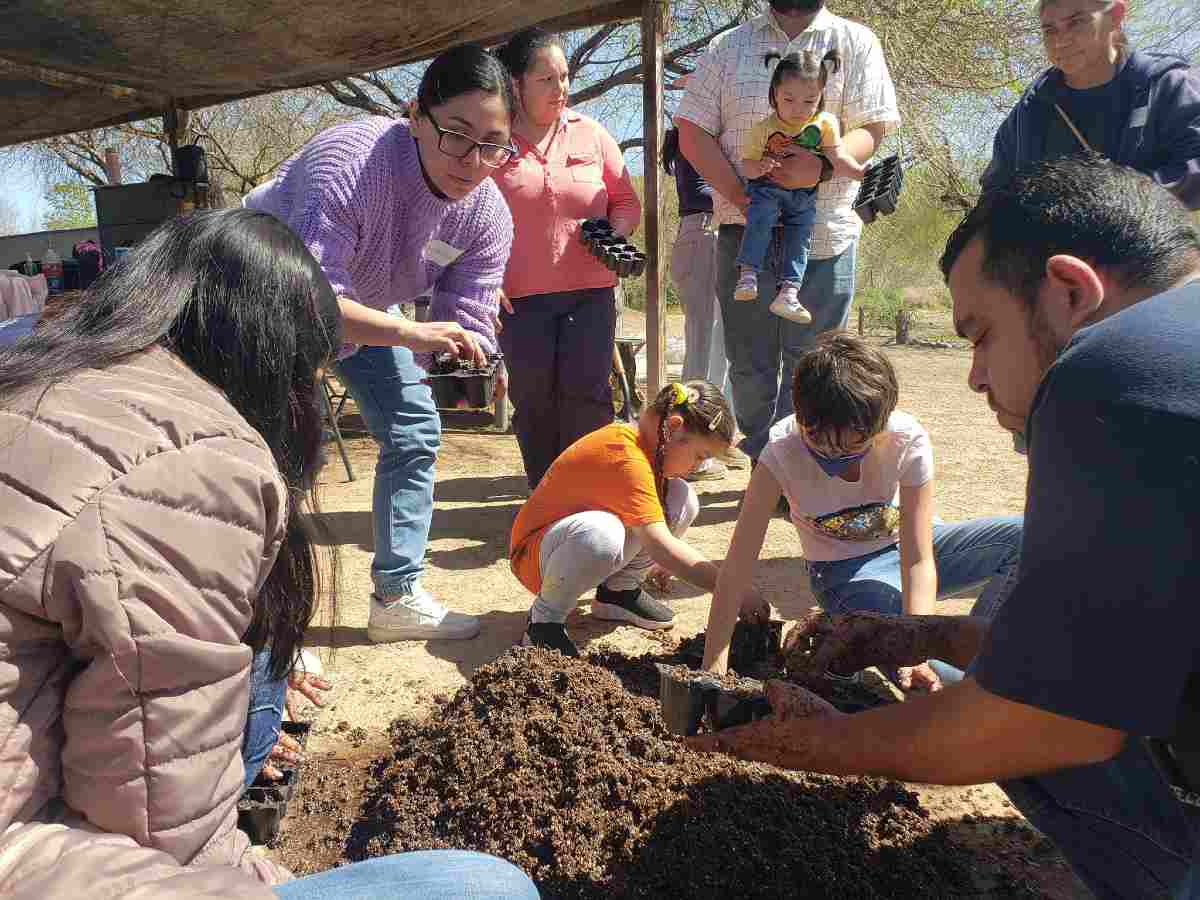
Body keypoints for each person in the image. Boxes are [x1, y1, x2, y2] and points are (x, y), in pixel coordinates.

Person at [689, 157, 1200, 900]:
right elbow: (1127, 658)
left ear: (1070, 291)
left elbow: (1050, 720)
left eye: (981, 334)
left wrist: (818, 742)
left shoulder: (1116, 370)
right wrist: (932, 636)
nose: (974, 377)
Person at [0, 209, 539, 900]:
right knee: (485, 888)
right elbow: (153, 824)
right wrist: (261, 876)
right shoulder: (195, 459)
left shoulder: (48, 375)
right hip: (30, 860)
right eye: (310, 370)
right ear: (272, 354)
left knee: (260, 665)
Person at [246, 44, 516, 642]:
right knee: (278, 456)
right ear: (416, 115)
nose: (472, 161)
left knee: (415, 429)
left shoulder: (488, 214)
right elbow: (313, 304)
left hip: (364, 311)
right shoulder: (350, 163)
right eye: (456, 133)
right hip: (264, 295)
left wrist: (471, 358)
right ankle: (262, 623)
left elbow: (466, 315)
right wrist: (410, 331)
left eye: (492, 143)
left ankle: (396, 594)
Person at [701, 332, 1022, 691]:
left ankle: (986, 653)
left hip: (905, 547)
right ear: (801, 413)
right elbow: (737, 566)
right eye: (817, 442)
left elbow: (918, 558)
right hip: (843, 574)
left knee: (1028, 537)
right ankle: (976, 685)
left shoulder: (906, 439)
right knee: (933, 676)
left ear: (879, 425)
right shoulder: (781, 452)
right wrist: (713, 667)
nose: (832, 457)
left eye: (852, 447)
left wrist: (918, 644)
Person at [676, 0, 899, 461]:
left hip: (825, 237)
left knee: (817, 366)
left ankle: (804, 467)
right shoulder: (727, 48)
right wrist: (744, 199)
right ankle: (765, 458)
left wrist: (819, 168)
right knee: (749, 365)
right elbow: (692, 131)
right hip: (744, 236)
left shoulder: (856, 41)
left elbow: (872, 126)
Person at [493, 28, 643, 491]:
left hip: (591, 295)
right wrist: (482, 281)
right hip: (520, 302)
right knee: (534, 401)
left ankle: (590, 493)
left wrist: (611, 236)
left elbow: (627, 204)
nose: (561, 89)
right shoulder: (492, 144)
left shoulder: (593, 134)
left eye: (564, 77)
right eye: (546, 80)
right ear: (515, 85)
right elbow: (463, 220)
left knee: (588, 398)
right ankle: (545, 493)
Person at [510, 381, 738, 657]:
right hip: (535, 556)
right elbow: (661, 547)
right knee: (602, 534)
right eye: (700, 456)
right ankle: (544, 619)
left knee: (680, 497)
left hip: (566, 544)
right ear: (673, 427)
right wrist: (731, 591)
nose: (697, 466)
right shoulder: (626, 454)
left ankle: (618, 591)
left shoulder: (647, 448)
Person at [983, 0, 1200, 210]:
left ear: (1115, 15)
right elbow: (994, 194)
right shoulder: (1031, 108)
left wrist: (1107, 201)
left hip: (1146, 243)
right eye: (1049, 30)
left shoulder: (1167, 86)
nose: (1060, 41)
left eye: (1076, 22)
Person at [734, 51, 865, 324]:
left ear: (820, 96)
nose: (799, 108)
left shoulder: (825, 123)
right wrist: (758, 168)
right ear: (774, 94)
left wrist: (859, 172)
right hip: (767, 189)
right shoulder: (762, 128)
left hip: (804, 196)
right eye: (789, 99)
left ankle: (789, 293)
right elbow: (746, 164)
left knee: (801, 237)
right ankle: (748, 275)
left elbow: (837, 157)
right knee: (760, 219)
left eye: (810, 101)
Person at [662, 123, 744, 483]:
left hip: (713, 232)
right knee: (704, 341)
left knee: (721, 342)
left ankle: (714, 440)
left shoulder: (703, 136)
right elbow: (700, 194)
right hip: (705, 231)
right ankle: (689, 445)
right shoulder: (691, 135)